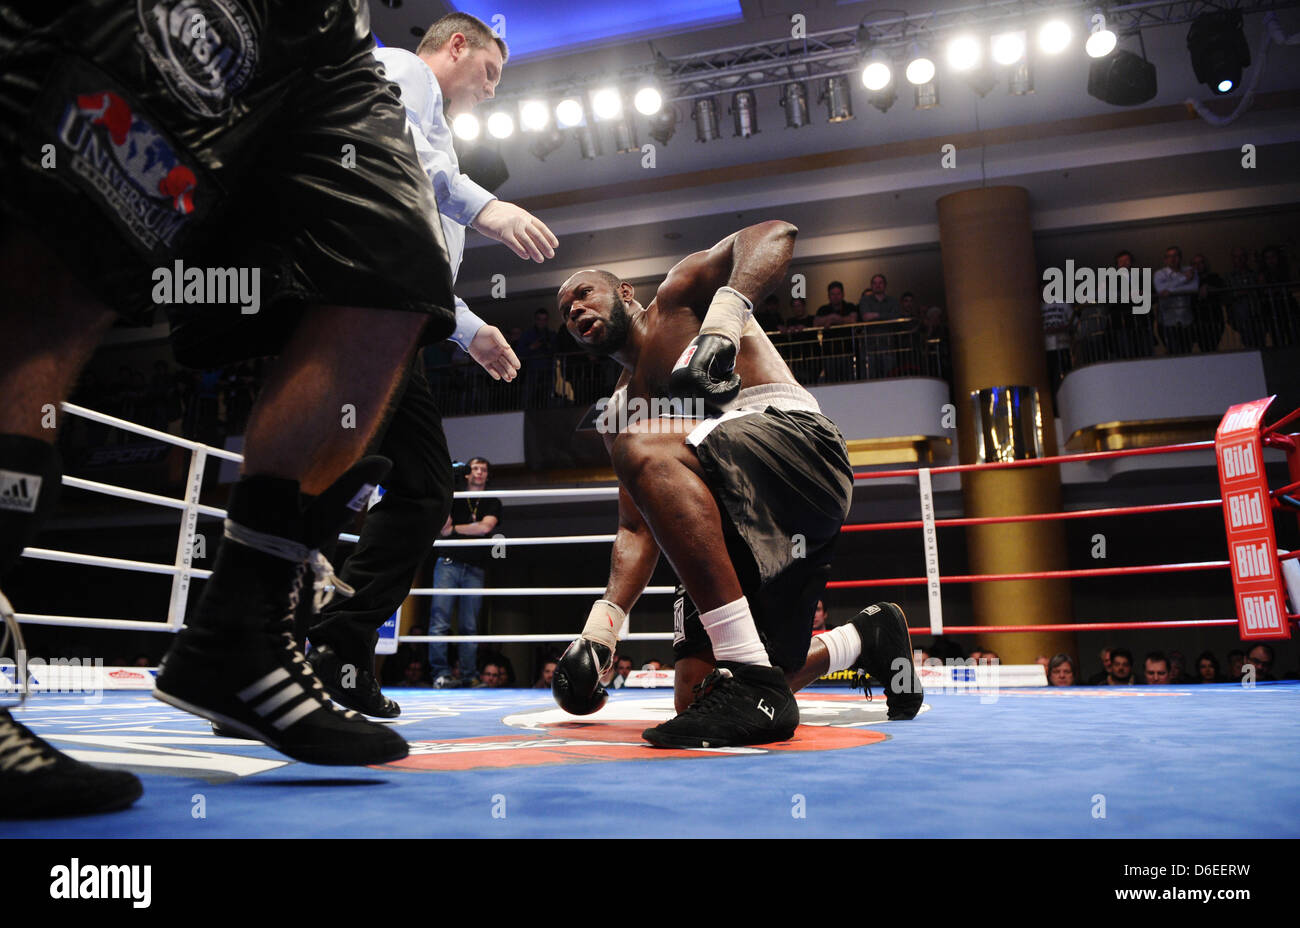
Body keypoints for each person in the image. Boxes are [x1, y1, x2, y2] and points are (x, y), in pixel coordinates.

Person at [0, 0, 482, 814]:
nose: (492, 90)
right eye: (492, 73)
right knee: (81, 235)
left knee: (396, 273)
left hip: (332, 35)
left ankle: (241, 633)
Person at [549, 221, 922, 748]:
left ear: (624, 292)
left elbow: (776, 233)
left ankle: (750, 675)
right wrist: (600, 632)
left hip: (797, 453)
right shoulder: (617, 414)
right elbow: (636, 530)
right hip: (728, 523)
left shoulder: (679, 297)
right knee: (698, 697)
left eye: (584, 294)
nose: (576, 311)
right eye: (566, 312)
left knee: (643, 443)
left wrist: (722, 323)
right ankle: (862, 639)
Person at [300, 13, 558, 720]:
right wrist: (491, 209)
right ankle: (272, 643)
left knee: (408, 490)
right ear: (454, 47)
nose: (492, 90)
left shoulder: (437, 133)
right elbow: (401, 164)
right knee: (347, 482)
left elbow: (422, 258)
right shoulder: (403, 73)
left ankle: (331, 647)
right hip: (359, 310)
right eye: (490, 72)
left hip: (394, 323)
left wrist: (469, 329)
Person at [428, 458, 501, 687]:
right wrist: (452, 529)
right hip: (448, 563)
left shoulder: (492, 501)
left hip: (475, 567)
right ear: (467, 474)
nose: (479, 472)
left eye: (484, 469)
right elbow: (442, 527)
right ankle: (441, 673)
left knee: (470, 624)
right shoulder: (453, 496)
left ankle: (469, 675)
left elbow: (485, 527)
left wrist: (455, 530)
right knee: (440, 621)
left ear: (487, 475)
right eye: (475, 468)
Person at [1153, 246, 1198, 356]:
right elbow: (1160, 290)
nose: (1172, 259)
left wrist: (1170, 290)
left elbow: (1193, 288)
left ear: (1180, 258)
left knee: (1187, 351)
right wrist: (1183, 279)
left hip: (1186, 319)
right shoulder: (1160, 274)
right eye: (1169, 256)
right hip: (1168, 320)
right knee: (1173, 353)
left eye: (1175, 256)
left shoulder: (1190, 271)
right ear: (1165, 259)